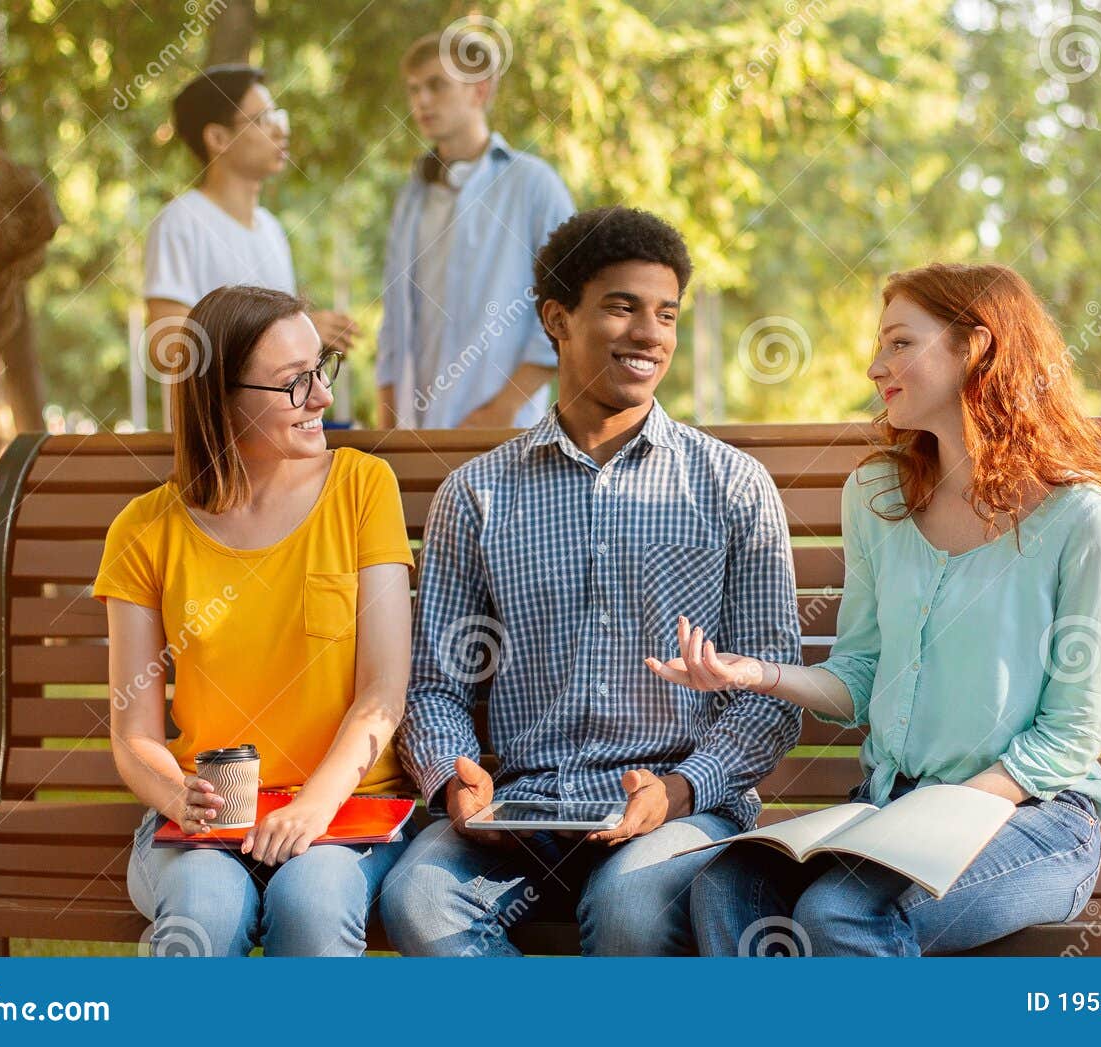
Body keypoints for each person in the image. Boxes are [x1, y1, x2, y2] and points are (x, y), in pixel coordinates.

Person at [648, 262, 1101, 957]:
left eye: (900, 343)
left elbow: (1075, 731)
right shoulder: (877, 494)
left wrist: (945, 811)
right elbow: (861, 675)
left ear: (975, 346)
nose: (877, 366)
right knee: (730, 887)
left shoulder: (1083, 517)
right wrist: (754, 673)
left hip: (1034, 818)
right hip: (893, 807)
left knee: (842, 914)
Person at [379, 207, 802, 955]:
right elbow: (436, 686)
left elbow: (771, 695)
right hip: (518, 814)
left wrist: (681, 788)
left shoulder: (732, 486)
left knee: (631, 908)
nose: (650, 333)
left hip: (678, 808)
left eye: (666, 313)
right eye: (622, 306)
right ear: (557, 318)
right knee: (420, 899)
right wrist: (454, 779)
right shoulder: (477, 495)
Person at [96, 285, 415, 956]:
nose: (323, 397)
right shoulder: (145, 529)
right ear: (221, 397)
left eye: (321, 369)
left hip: (345, 810)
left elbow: (382, 694)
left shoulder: (362, 487)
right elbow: (134, 733)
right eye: (292, 384)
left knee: (311, 900)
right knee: (203, 909)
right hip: (212, 820)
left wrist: (312, 808)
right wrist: (176, 794)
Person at [374, 27, 574, 429]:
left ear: (479, 92)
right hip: (418, 432)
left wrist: (501, 410)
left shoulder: (533, 184)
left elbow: (569, 306)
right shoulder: (411, 197)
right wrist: (389, 415)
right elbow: (394, 321)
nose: (422, 101)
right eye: (414, 89)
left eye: (436, 85)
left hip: (506, 434)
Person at [143, 66, 355, 378]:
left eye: (278, 117)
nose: (281, 131)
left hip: (277, 423)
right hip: (214, 427)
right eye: (262, 120)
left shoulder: (272, 230)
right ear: (218, 138)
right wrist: (295, 332)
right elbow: (169, 345)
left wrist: (309, 344)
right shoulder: (180, 222)